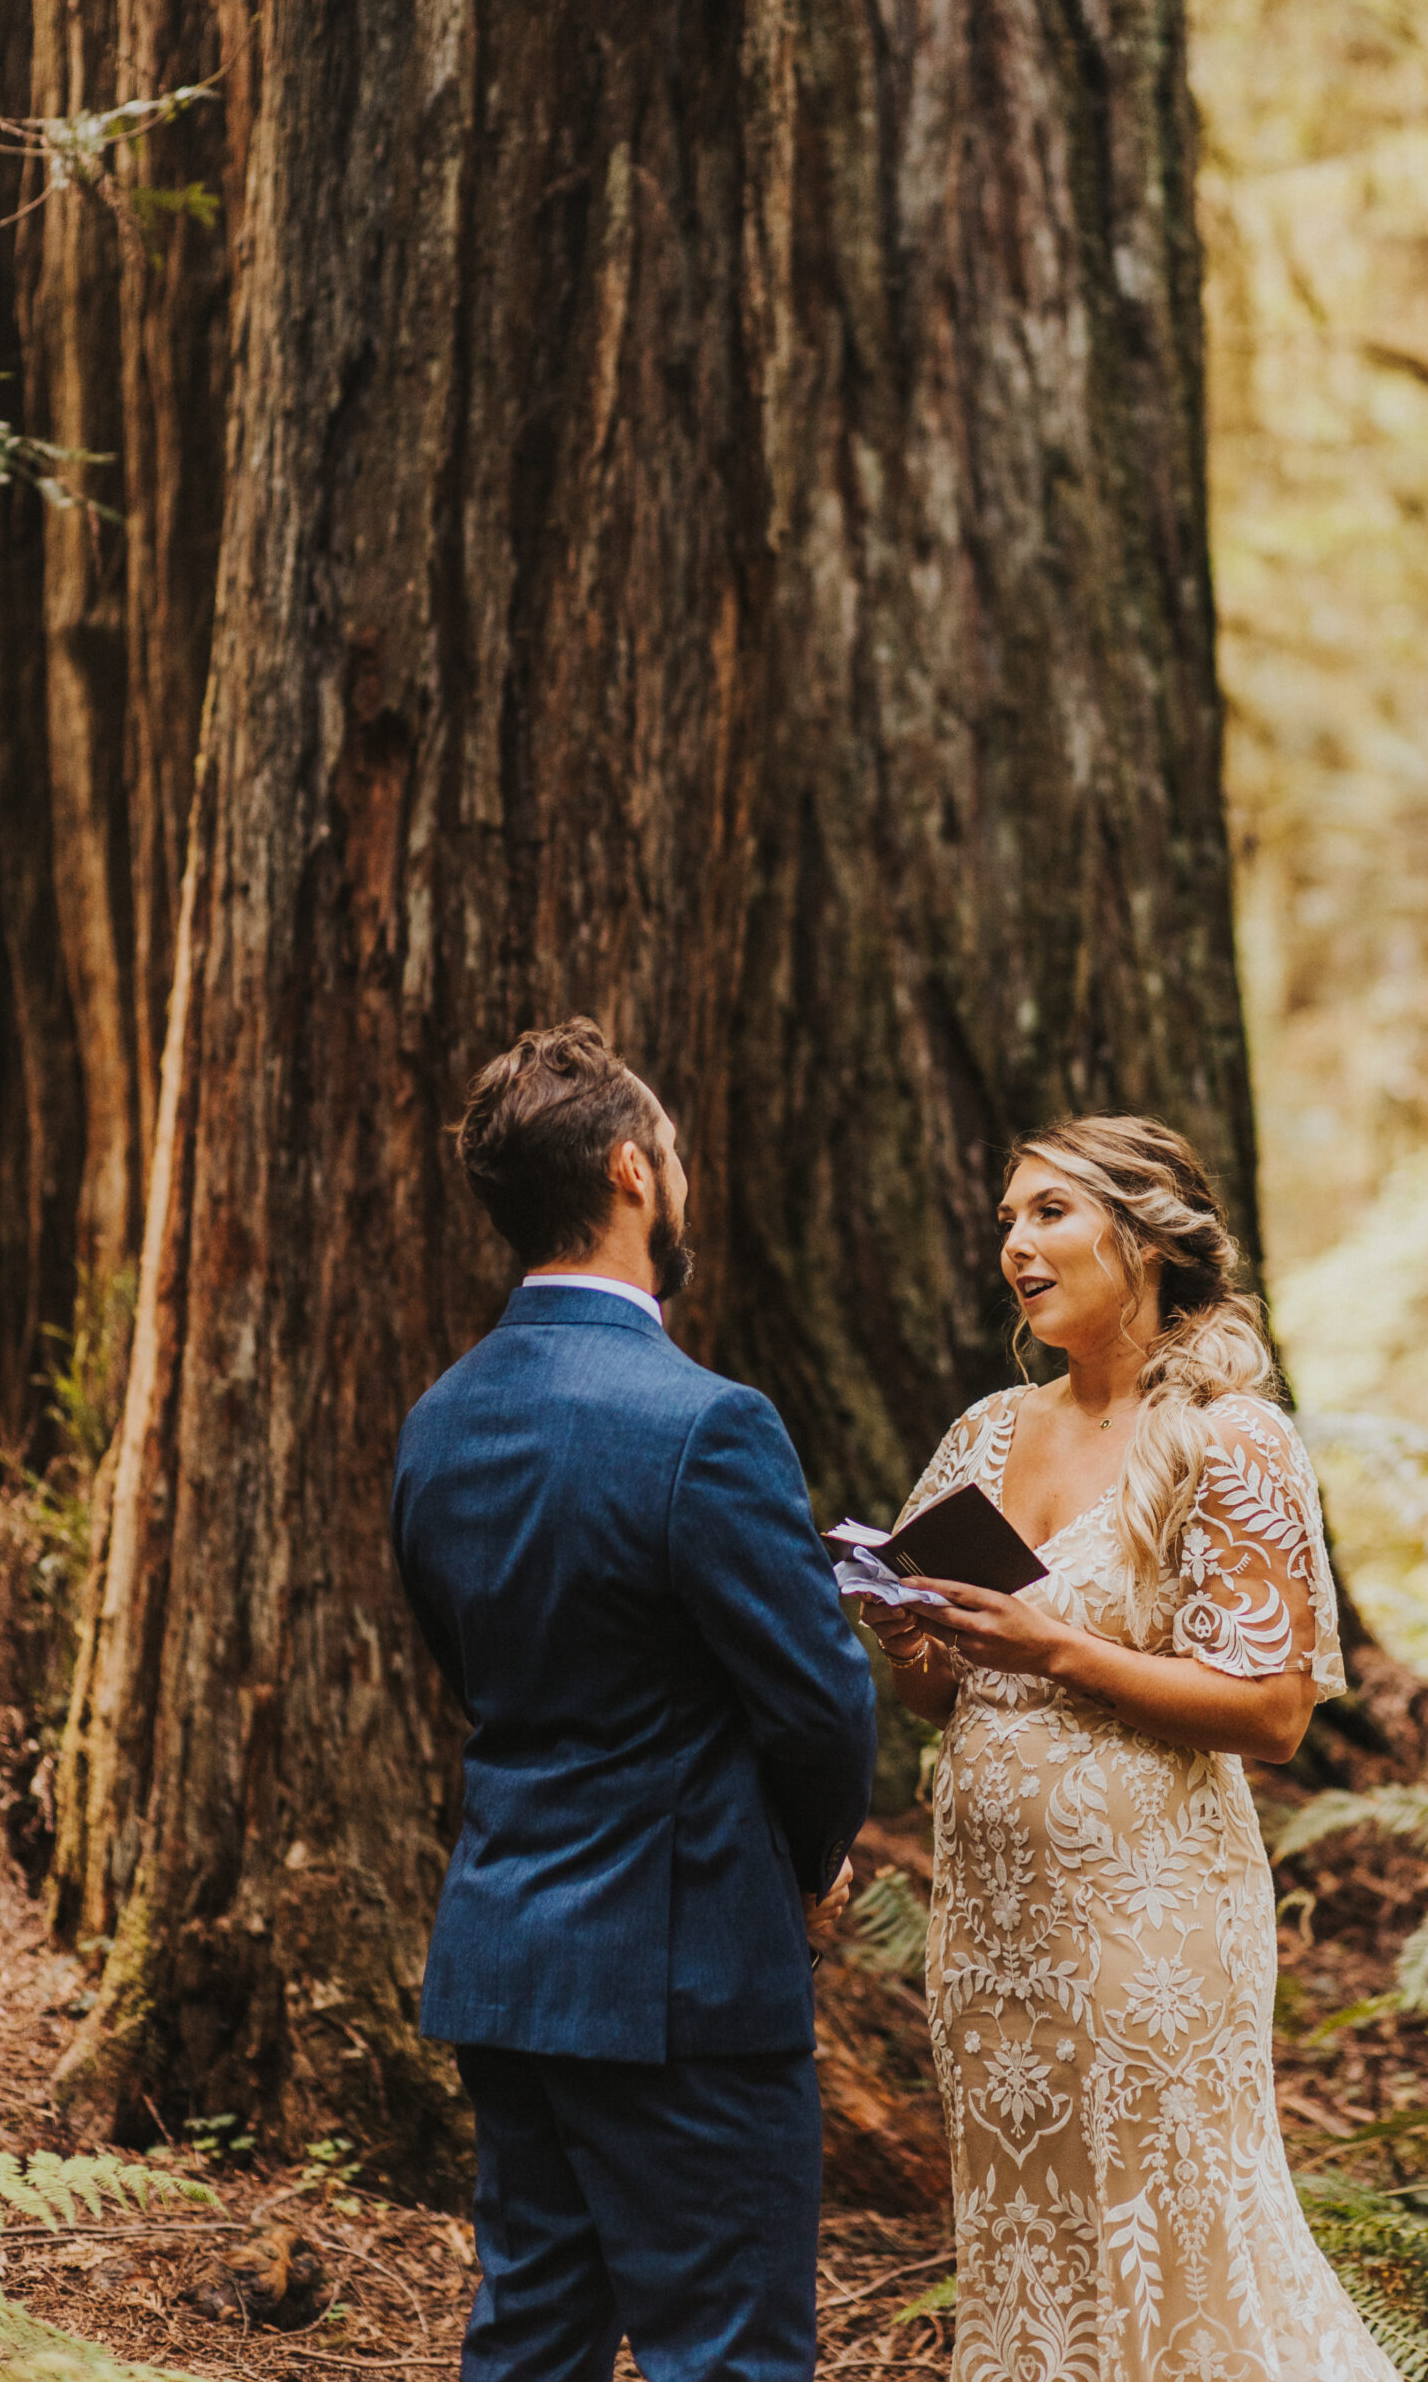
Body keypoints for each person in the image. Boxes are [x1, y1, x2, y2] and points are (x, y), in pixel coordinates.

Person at [861, 1114, 1400, 2382]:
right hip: (993, 1930)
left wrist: (1056, 1648)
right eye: (1008, 1219)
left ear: (1146, 1238)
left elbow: (1273, 1712)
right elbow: (945, 1699)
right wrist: (913, 1639)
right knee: (1028, 2233)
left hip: (1151, 1923)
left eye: (1050, 1211)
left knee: (1174, 2234)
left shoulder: (1231, 1437)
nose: (1015, 1243)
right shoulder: (986, 1433)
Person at [391, 1020, 878, 2382]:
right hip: (686, 1979)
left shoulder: (437, 1421)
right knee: (730, 2357)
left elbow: (471, 1670)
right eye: (671, 1152)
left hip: (507, 1961)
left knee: (531, 2345)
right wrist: (811, 1864)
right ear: (629, 1169)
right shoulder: (707, 1423)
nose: (681, 1176)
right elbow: (821, 1701)